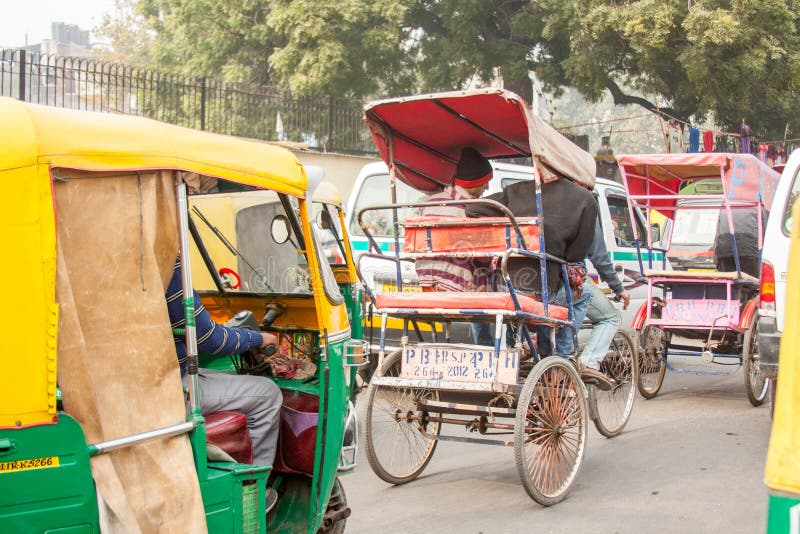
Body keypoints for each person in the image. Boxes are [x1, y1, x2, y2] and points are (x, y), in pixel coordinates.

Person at [166, 256, 283, 471]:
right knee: (268, 393)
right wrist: (258, 339)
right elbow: (209, 338)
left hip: (159, 378)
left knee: (230, 378)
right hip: (169, 387)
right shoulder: (164, 264)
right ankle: (254, 488)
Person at [466, 172, 597, 358]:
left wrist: (507, 228)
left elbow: (472, 209)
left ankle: (529, 349)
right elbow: (576, 255)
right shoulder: (585, 199)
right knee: (584, 294)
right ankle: (561, 357)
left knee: (542, 289)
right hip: (543, 293)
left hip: (507, 286)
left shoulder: (516, 190)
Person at [417, 147, 495, 345]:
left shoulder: (427, 202)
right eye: (485, 183)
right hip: (459, 288)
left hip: (427, 284)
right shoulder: (471, 209)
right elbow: (482, 257)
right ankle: (496, 345)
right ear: (474, 183)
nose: (486, 189)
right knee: (494, 273)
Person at [574, 218, 631, 390]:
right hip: (570, 279)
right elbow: (599, 256)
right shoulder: (583, 203)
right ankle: (589, 364)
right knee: (611, 317)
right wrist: (618, 287)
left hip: (528, 279)